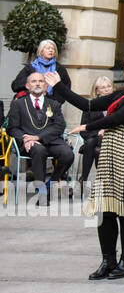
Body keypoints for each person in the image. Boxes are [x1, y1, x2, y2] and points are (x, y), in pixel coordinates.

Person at [46, 48, 124, 281]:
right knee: (104, 210)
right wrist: (58, 85)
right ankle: (108, 260)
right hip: (112, 153)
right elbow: (87, 105)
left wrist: (87, 127)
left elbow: (119, 118)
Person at [8, 71, 74, 205]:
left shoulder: (54, 104)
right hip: (28, 144)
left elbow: (59, 126)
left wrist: (38, 137)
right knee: (39, 150)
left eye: (41, 81)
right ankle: (42, 193)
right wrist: (25, 138)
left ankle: (49, 185)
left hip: (51, 141)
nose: (37, 83)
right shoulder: (18, 104)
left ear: (45, 86)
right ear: (27, 85)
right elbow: (12, 128)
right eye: (34, 81)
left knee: (68, 154)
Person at [76, 76, 115, 187]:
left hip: (113, 140)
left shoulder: (118, 104)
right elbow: (83, 131)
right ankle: (100, 182)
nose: (107, 89)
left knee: (93, 146)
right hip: (94, 140)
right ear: (97, 90)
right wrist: (98, 132)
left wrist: (105, 131)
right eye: (103, 87)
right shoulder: (90, 106)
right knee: (93, 145)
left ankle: (83, 179)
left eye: (109, 86)